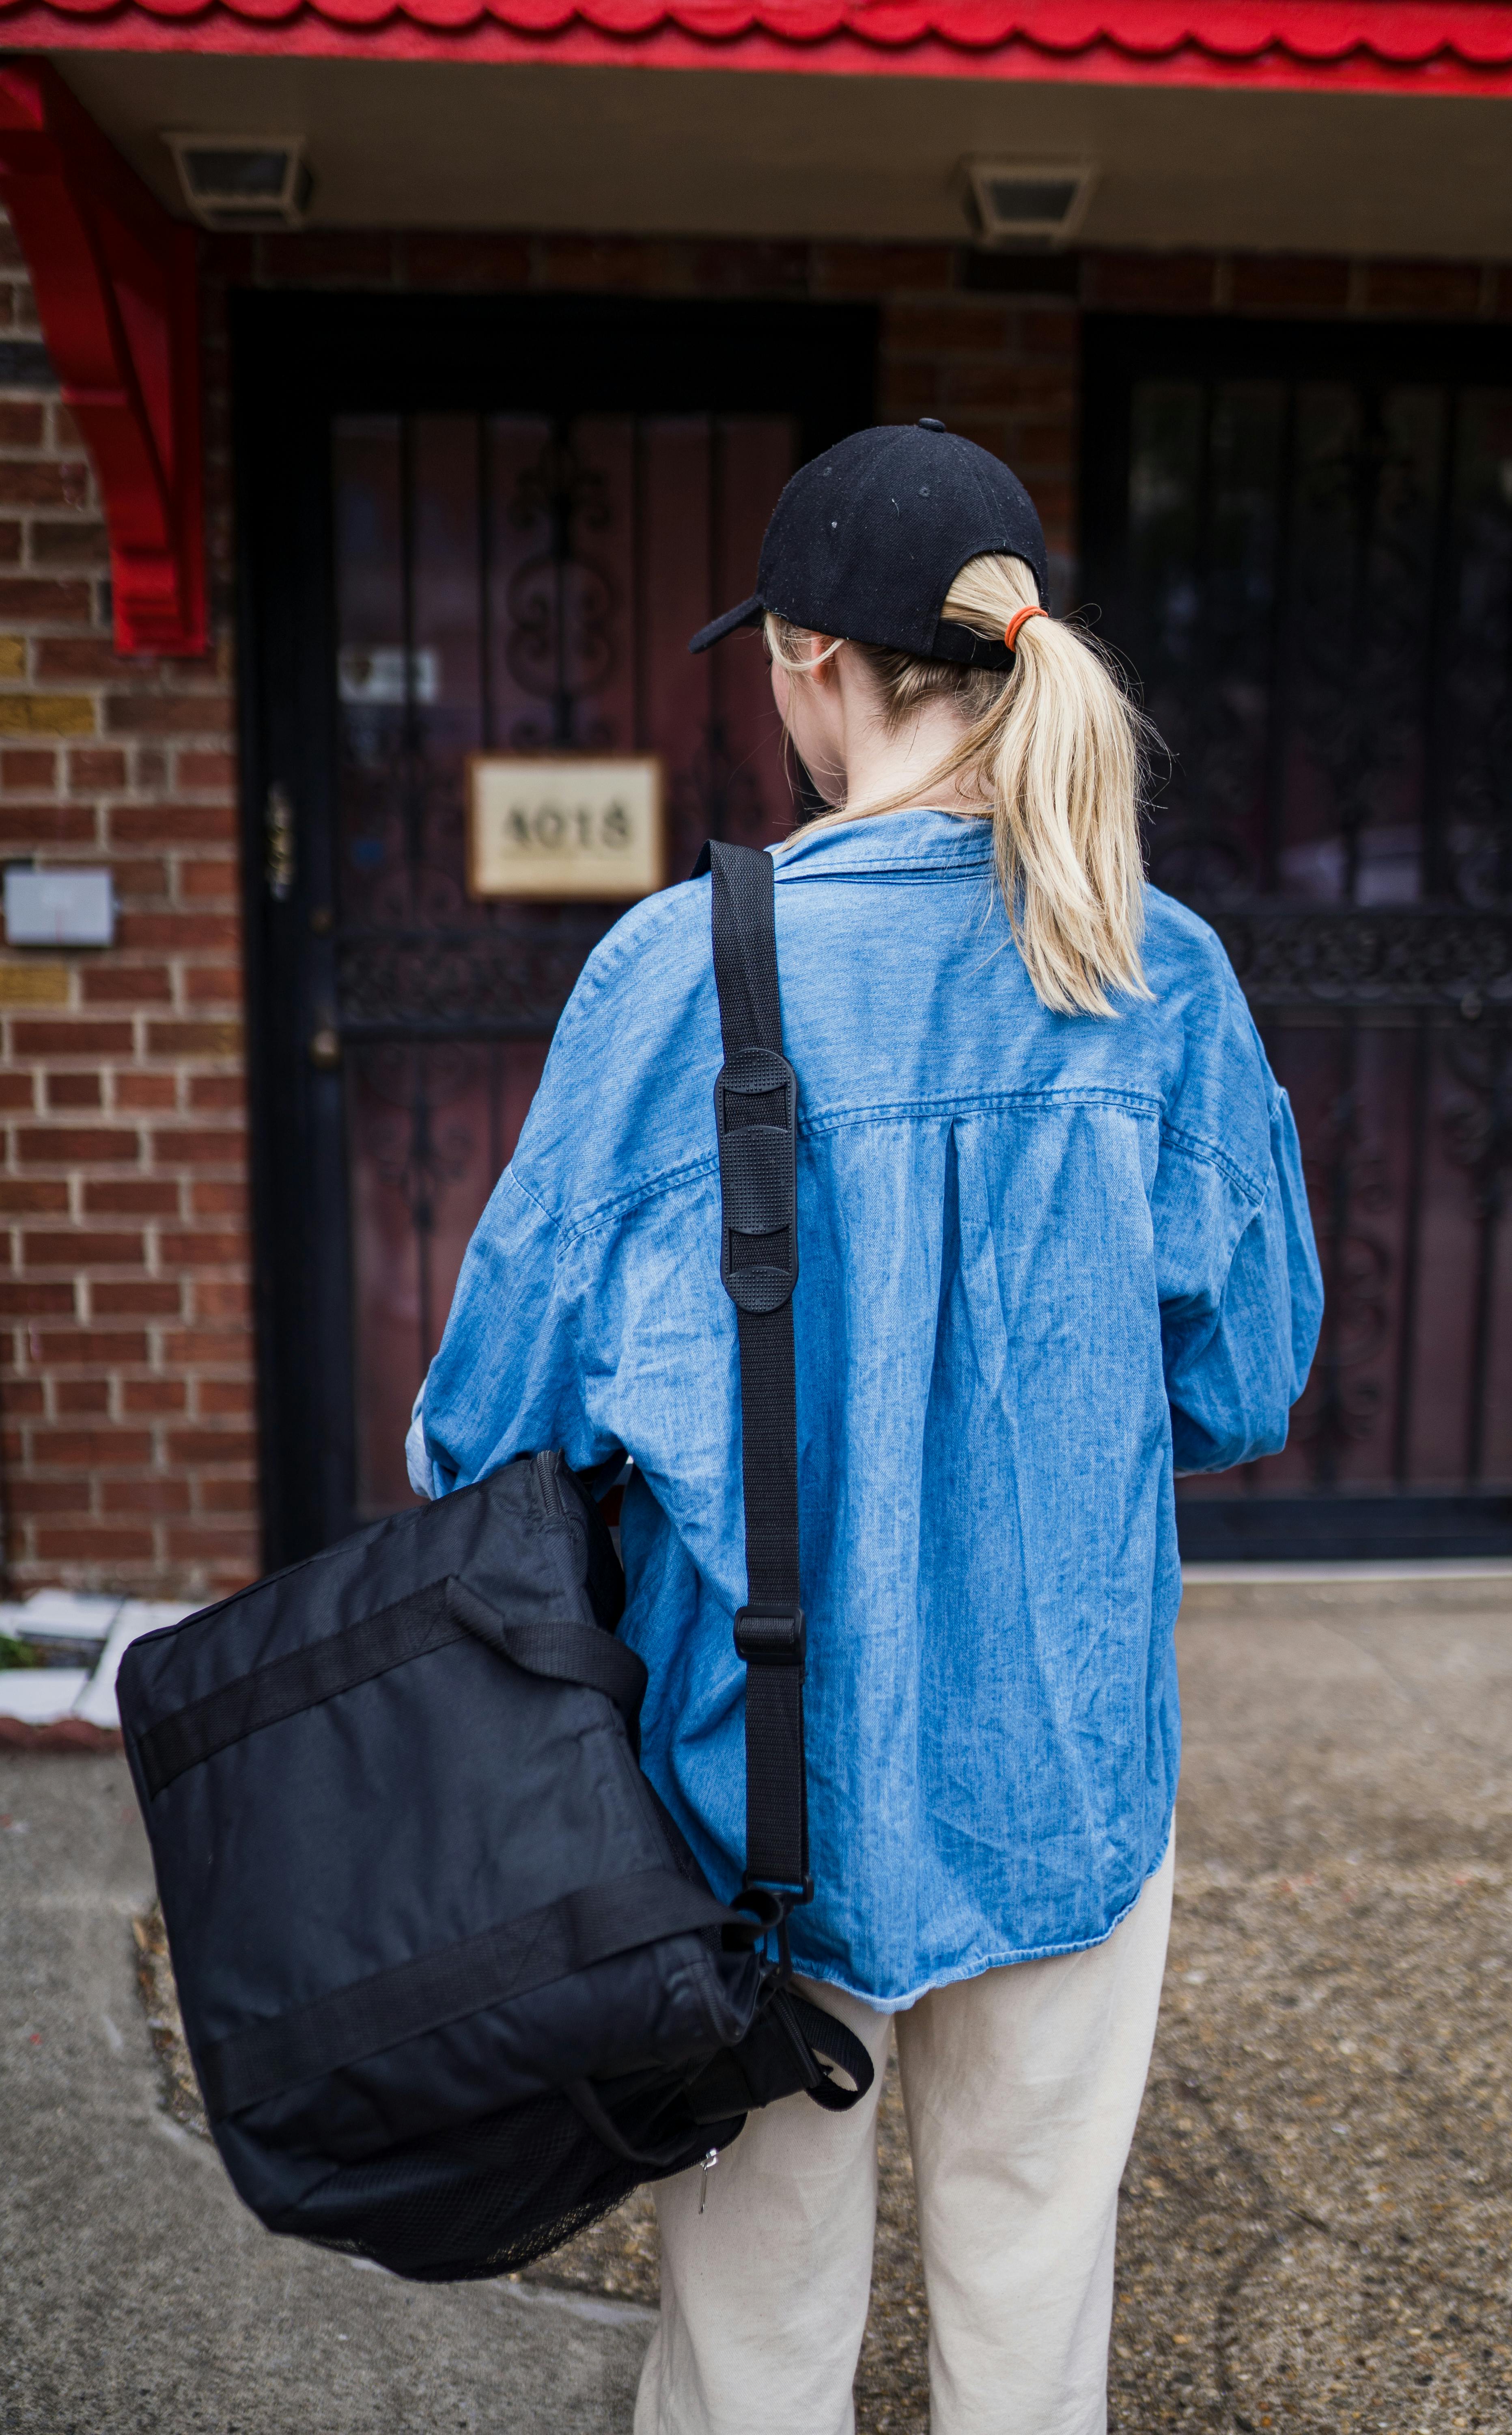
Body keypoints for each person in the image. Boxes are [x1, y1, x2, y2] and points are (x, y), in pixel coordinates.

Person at [409, 422, 1322, 2435]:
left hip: (749, 1805)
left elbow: (482, 1432)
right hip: (1068, 1772)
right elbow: (1243, 1382)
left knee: (751, 2354)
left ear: (807, 660)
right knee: (1028, 2321)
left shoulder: (675, 977)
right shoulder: (1158, 972)